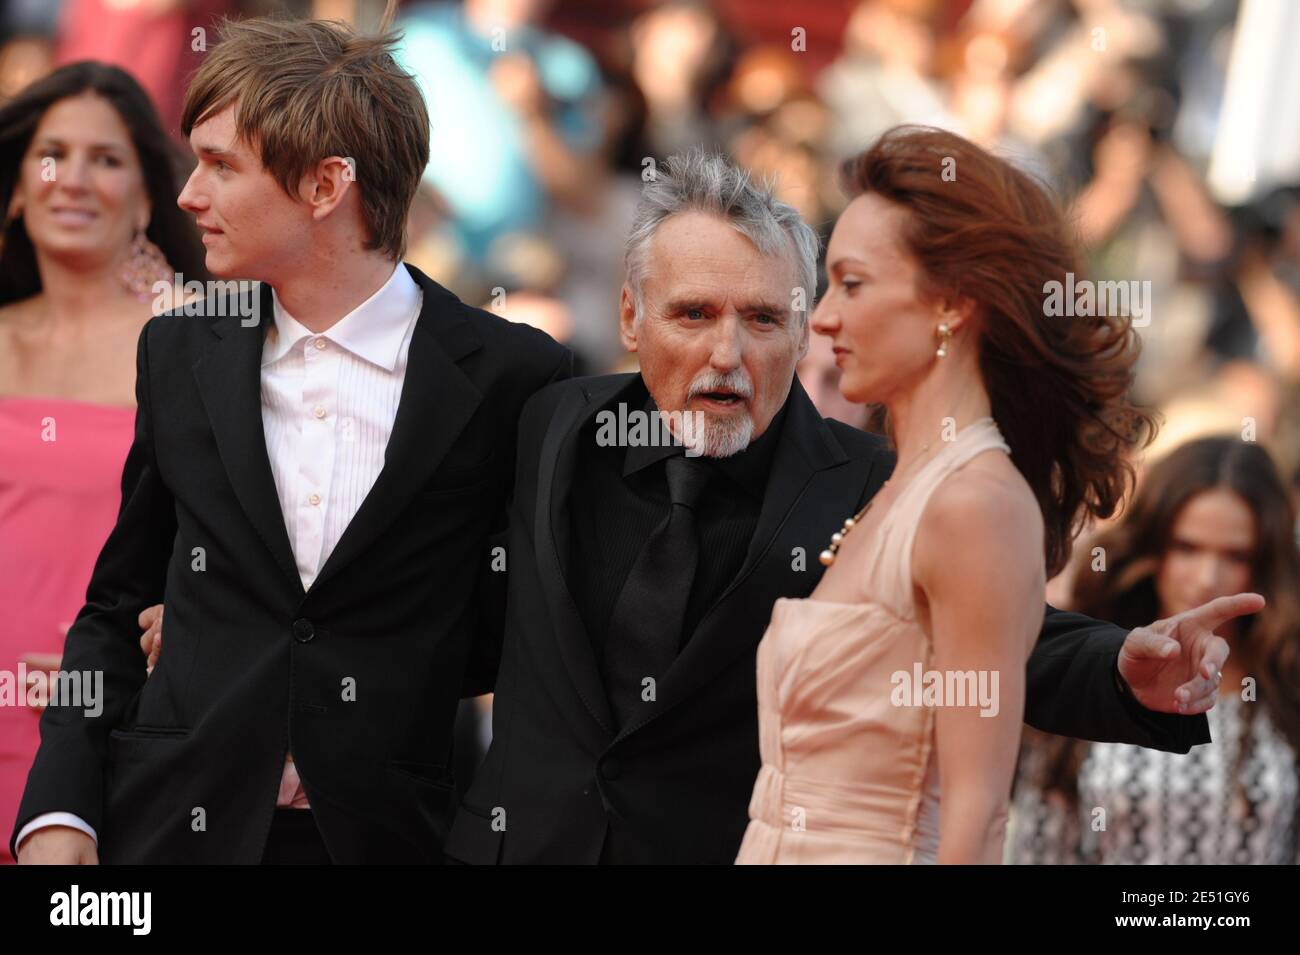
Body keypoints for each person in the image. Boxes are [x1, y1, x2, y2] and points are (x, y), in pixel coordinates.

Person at [440, 144, 1252, 865]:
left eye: (762, 318)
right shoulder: (555, 429)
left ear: (803, 332)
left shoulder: (870, 482)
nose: (728, 353)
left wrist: (1117, 667)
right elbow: (450, 615)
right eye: (694, 313)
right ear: (630, 314)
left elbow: (999, 640)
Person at [11, 13, 568, 865]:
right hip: (168, 830)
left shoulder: (512, 377)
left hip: (391, 836)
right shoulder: (180, 350)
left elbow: (533, 640)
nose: (189, 194)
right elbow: (117, 605)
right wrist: (59, 813)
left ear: (324, 185)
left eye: (222, 165)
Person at [0, 61, 206, 864]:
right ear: (17, 187)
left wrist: (145, 656)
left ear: (148, 197)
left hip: (122, 725)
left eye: (107, 159)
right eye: (52, 155)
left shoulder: (200, 341)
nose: (74, 180)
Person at [1011, 436, 1300, 864]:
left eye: (1235, 555)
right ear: (1152, 549)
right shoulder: (1092, 669)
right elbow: (1041, 848)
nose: (1207, 578)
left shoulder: (1288, 680)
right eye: (1187, 548)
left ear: (1264, 563)